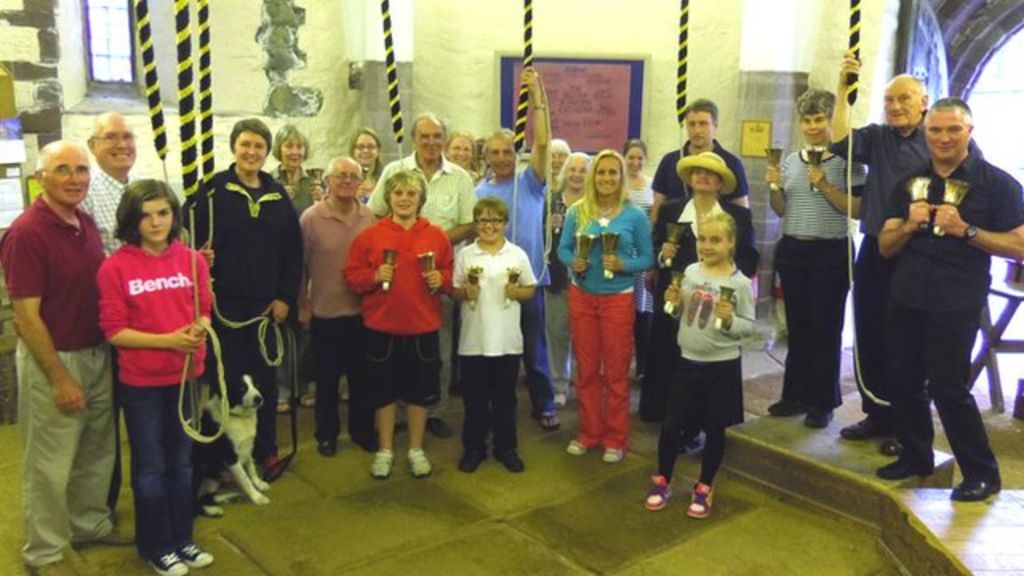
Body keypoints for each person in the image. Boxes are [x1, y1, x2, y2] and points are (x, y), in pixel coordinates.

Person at [829, 53, 979, 456]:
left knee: (908, 343)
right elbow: (838, 141)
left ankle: (905, 422)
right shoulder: (878, 138)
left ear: (924, 101)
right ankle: (877, 412)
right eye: (889, 100)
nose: (895, 107)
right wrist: (844, 89)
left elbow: (972, 185)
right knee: (871, 333)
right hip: (878, 248)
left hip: (919, 253)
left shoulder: (938, 140)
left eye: (904, 99)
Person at [875, 98, 1024, 502]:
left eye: (953, 130)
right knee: (903, 381)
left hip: (955, 299)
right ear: (927, 133)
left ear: (969, 132)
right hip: (906, 294)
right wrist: (908, 225)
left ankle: (981, 472)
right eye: (936, 130)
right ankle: (917, 455)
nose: (943, 137)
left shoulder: (998, 184)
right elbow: (886, 247)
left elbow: (1019, 246)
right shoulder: (909, 182)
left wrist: (967, 230)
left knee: (948, 387)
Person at [0, 141, 130, 574]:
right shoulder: (27, 233)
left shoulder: (84, 222)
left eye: (80, 170)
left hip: (96, 352)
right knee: (49, 462)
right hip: (55, 359)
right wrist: (59, 377)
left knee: (96, 451)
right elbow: (26, 318)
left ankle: (88, 524)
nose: (75, 179)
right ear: (41, 178)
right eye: (63, 170)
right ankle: (45, 552)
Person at [96, 180, 215, 576]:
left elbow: (204, 308)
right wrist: (168, 341)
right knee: (150, 467)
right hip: (143, 384)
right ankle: (156, 545)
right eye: (145, 215)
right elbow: (115, 331)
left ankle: (182, 539)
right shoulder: (115, 268)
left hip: (185, 378)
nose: (156, 222)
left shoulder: (192, 261)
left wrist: (198, 328)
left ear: (174, 215)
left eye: (163, 213)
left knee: (182, 464)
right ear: (131, 220)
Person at [185, 118, 303, 478]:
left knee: (264, 384)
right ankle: (225, 453)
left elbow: (292, 252)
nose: (252, 152)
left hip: (265, 309)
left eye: (258, 146)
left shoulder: (278, 196)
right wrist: (197, 260)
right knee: (227, 383)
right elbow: (187, 241)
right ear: (234, 147)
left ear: (267, 152)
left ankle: (265, 449)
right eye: (245, 145)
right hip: (224, 307)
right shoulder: (211, 192)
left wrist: (285, 297)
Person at [368, 113, 477, 440]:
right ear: (413, 138)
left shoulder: (460, 177)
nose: (431, 143)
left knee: (437, 348)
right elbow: (375, 213)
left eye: (437, 137)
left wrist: (432, 241)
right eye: (424, 137)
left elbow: (469, 223)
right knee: (398, 348)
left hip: (436, 275)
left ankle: (435, 410)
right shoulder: (393, 171)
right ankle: (400, 412)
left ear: (444, 139)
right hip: (397, 277)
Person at [765, 89, 866, 428]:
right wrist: (774, 188)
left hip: (831, 251)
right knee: (799, 328)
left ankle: (822, 402)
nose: (812, 126)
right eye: (807, 120)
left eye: (819, 119)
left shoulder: (847, 160)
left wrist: (824, 185)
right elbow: (781, 211)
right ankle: (794, 395)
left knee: (825, 330)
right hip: (794, 250)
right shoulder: (791, 161)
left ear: (829, 121)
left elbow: (856, 209)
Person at [644, 212, 755, 519]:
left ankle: (705, 485)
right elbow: (683, 314)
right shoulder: (690, 272)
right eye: (703, 239)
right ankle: (662, 479)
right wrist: (675, 303)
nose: (707, 246)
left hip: (721, 367)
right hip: (687, 362)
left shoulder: (741, 284)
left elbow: (748, 327)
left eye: (716, 240)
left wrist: (731, 319)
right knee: (671, 426)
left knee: (715, 428)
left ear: (731, 242)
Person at [345, 170, 454, 479]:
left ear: (421, 199)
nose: (404, 199)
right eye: (398, 193)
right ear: (388, 197)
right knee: (383, 392)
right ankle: (385, 449)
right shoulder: (371, 236)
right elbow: (351, 276)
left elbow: (450, 274)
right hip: (382, 327)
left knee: (420, 393)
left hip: (423, 326)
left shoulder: (436, 235)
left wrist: (441, 279)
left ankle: (416, 449)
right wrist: (374, 276)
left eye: (411, 194)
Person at [641, 152, 758, 424]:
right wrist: (662, 254)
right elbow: (655, 247)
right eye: (697, 172)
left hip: (715, 303)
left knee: (710, 365)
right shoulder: (671, 210)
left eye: (710, 174)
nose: (702, 177)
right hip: (675, 298)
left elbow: (749, 257)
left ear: (720, 183)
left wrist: (723, 278)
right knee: (670, 356)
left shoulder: (738, 216)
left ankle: (705, 422)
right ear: (690, 179)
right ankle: (671, 419)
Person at [557, 149, 654, 463]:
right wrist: (576, 261)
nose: (607, 178)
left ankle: (615, 437)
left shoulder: (634, 215)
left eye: (613, 172)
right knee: (586, 370)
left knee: (614, 370)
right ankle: (588, 433)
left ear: (621, 177)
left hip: (617, 299)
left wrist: (624, 263)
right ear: (592, 176)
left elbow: (648, 258)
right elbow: (563, 249)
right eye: (601, 172)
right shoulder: (577, 212)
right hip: (582, 296)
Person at [476, 67, 560, 431]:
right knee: (497, 346)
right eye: (494, 152)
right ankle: (498, 402)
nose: (501, 157)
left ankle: (544, 403)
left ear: (515, 152)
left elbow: (543, 143)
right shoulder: (480, 192)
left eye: (507, 150)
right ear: (487, 155)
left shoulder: (530, 183)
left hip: (529, 281)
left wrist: (536, 95)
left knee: (534, 347)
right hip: (491, 282)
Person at [299, 156, 378, 456]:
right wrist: (302, 305)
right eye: (340, 175)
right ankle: (327, 434)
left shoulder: (370, 218)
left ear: (360, 183)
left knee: (362, 379)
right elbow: (300, 267)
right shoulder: (310, 218)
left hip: (363, 314)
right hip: (324, 313)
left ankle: (361, 431)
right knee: (327, 379)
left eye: (352, 176)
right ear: (328, 181)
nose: (346, 181)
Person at [451, 196, 537, 473]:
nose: (490, 226)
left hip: (507, 342)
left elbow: (530, 289)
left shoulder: (516, 254)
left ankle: (506, 447)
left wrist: (517, 292)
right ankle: (474, 448)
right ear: (476, 224)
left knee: (505, 399)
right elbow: (454, 291)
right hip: (474, 341)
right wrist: (466, 292)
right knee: (474, 399)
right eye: (484, 220)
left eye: (496, 220)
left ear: (505, 224)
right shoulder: (466, 255)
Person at [82, 111, 137, 517]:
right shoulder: (86, 194)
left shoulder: (131, 191)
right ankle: (101, 505)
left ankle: (116, 500)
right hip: (107, 327)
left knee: (132, 419)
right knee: (102, 427)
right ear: (93, 145)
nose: (122, 144)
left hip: (142, 326)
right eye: (111, 138)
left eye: (128, 137)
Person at [270, 124, 319, 413]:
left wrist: (319, 200)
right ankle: (283, 387)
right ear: (280, 150)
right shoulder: (270, 182)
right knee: (282, 327)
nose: (295, 152)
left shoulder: (314, 183)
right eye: (289, 146)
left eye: (299, 146)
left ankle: (307, 385)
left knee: (308, 326)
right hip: (281, 262)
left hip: (310, 262)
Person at [650, 98, 750, 222]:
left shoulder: (732, 163)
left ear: (715, 125)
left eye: (703, 124)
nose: (697, 131)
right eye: (692, 124)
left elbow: (742, 209)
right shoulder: (669, 161)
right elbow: (658, 206)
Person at [545, 152, 590, 407]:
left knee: (585, 338)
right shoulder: (551, 201)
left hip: (589, 280)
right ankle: (559, 384)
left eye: (582, 170)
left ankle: (585, 384)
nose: (576, 174)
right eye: (572, 169)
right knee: (557, 333)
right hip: (557, 276)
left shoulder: (597, 204)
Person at [624, 138, 654, 383]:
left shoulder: (651, 186)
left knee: (643, 312)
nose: (635, 162)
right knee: (623, 312)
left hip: (642, 257)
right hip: (622, 256)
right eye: (630, 157)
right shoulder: (617, 185)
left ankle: (644, 366)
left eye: (639, 158)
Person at [349, 128, 383, 204]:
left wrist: (377, 195)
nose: (365, 150)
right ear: (353, 151)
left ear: (378, 151)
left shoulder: (385, 179)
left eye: (370, 147)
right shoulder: (345, 181)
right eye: (360, 147)